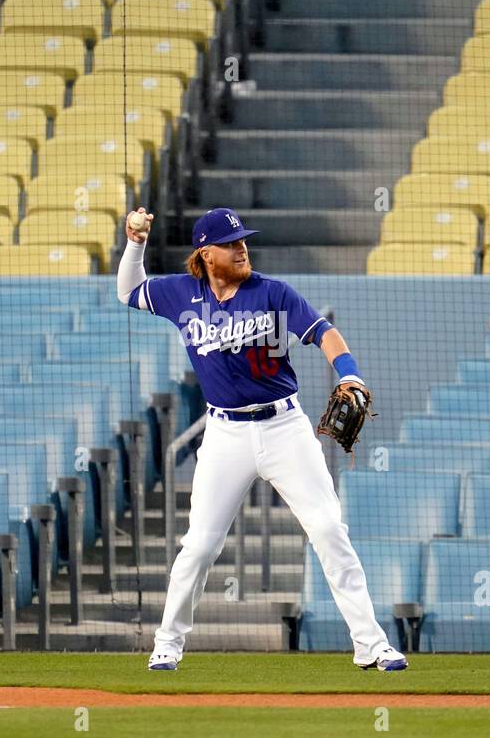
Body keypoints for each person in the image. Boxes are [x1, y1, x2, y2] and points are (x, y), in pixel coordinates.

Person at [115, 205, 408, 672]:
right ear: (206, 254)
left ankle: (371, 644)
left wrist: (349, 375)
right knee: (201, 545)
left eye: (243, 240)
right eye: (231, 244)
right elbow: (128, 289)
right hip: (225, 433)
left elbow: (324, 332)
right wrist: (135, 240)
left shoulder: (273, 292)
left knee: (329, 528)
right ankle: (167, 645)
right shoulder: (180, 294)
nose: (242, 248)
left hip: (284, 428)